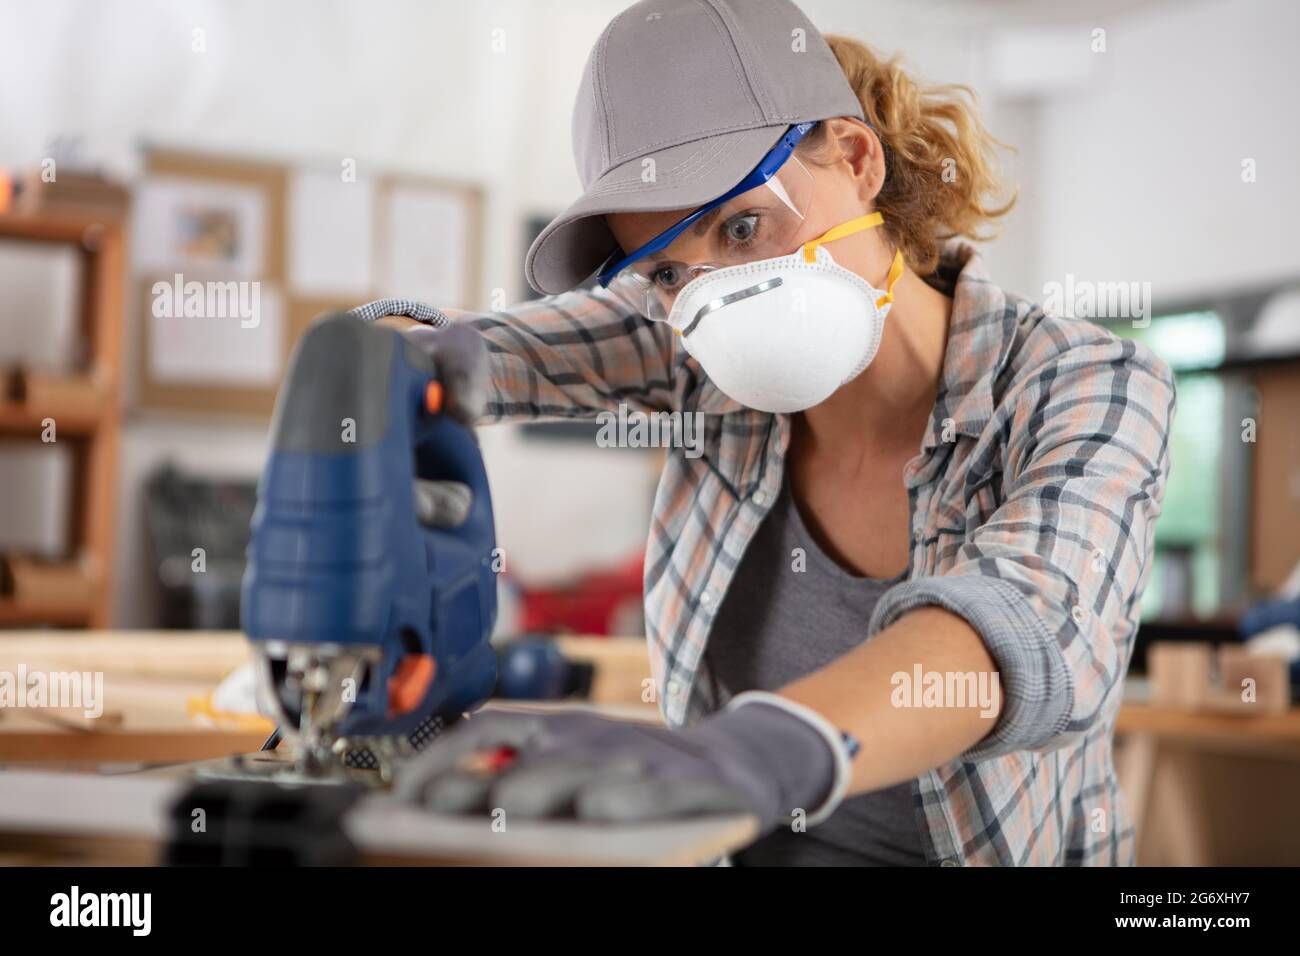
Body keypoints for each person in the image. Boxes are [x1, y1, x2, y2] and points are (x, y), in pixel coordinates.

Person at [352, 0, 1175, 866]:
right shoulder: (688, 348)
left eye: (743, 226)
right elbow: (471, 354)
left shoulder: (1084, 382)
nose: (717, 295)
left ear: (856, 159)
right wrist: (369, 367)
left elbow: (1031, 626)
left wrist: (758, 753)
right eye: (669, 269)